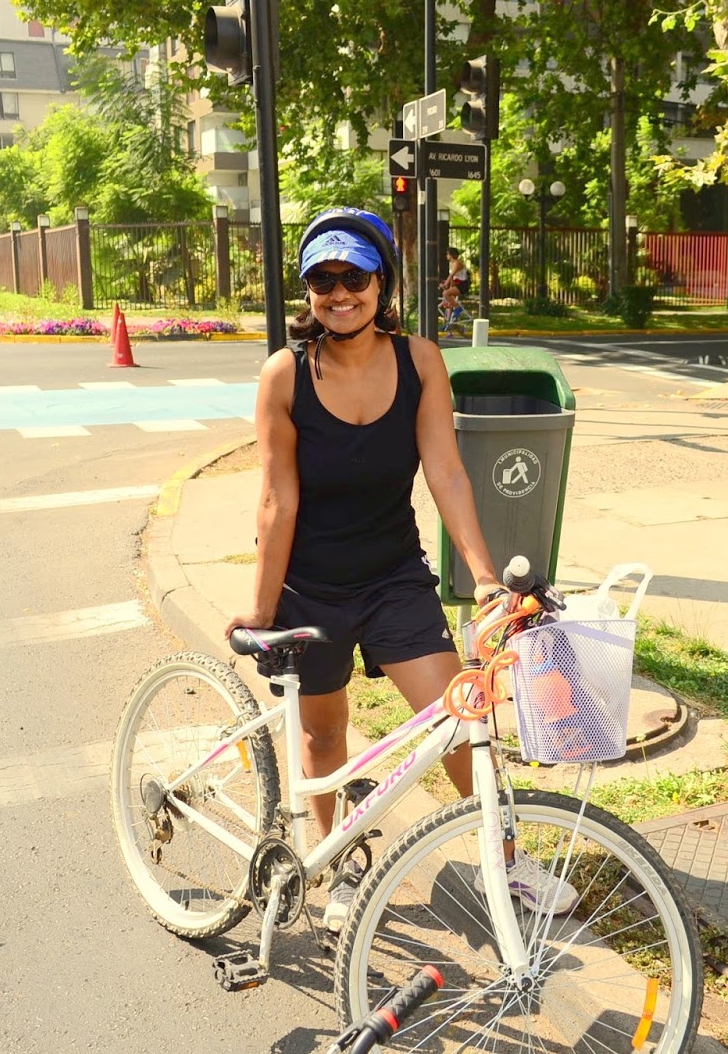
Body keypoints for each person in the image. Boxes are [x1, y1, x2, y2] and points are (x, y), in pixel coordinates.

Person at [225, 207, 578, 933]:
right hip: (310, 585)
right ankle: (335, 855)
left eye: (354, 276)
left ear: (382, 283)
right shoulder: (283, 377)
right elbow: (276, 500)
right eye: (322, 279)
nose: (339, 292)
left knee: (457, 713)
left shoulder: (419, 361)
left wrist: (483, 576)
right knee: (325, 736)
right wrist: (262, 611)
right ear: (308, 291)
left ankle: (503, 858)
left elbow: (447, 473)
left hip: (392, 574)